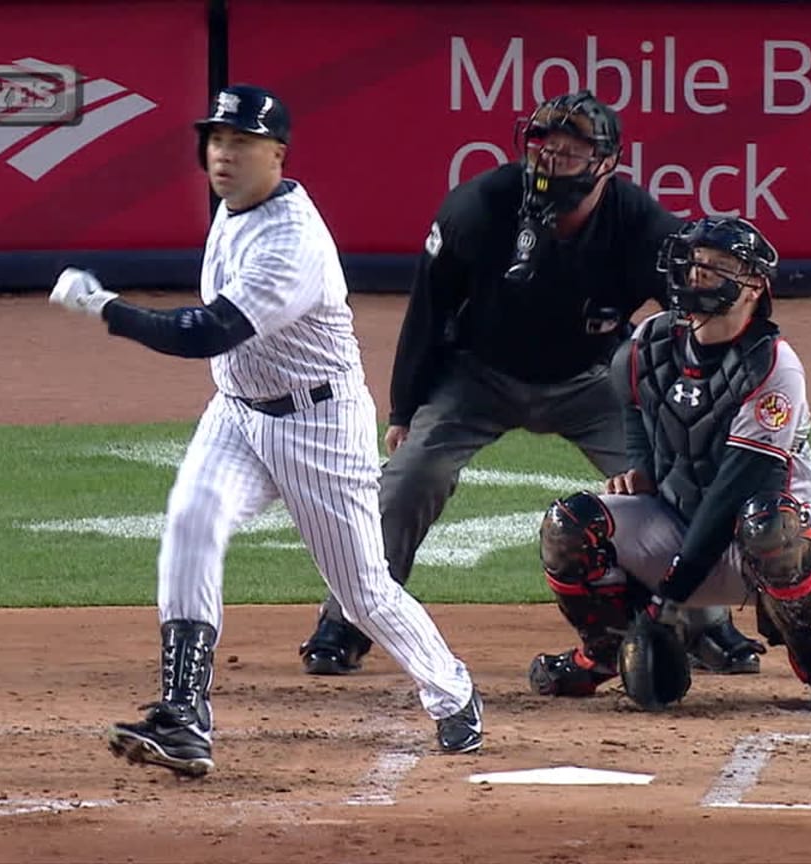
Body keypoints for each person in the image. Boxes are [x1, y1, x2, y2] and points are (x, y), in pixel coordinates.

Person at [46, 83, 484, 777]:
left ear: (276, 154)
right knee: (191, 522)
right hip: (238, 410)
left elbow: (206, 331)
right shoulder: (233, 207)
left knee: (363, 590)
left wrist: (105, 307)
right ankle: (183, 714)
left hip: (318, 423)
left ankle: (452, 690)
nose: (223, 154)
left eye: (241, 143)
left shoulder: (293, 241)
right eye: (217, 140)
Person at [297, 89, 766, 679]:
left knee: (676, 477)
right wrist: (404, 408)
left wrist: (684, 404)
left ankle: (706, 623)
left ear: (606, 163)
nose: (553, 160)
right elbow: (429, 306)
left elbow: (693, 318)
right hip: (476, 375)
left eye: (572, 151)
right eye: (546, 147)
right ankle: (347, 619)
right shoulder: (478, 206)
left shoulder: (639, 223)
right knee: (410, 476)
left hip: (594, 378)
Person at [527, 216, 811, 711]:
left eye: (716, 268)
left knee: (767, 524)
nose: (697, 276)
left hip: (749, 550)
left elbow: (734, 490)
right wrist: (641, 466)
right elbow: (634, 403)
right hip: (672, 525)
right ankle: (604, 654)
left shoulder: (773, 366)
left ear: (753, 285)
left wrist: (666, 599)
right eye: (695, 265)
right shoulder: (650, 343)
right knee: (569, 525)